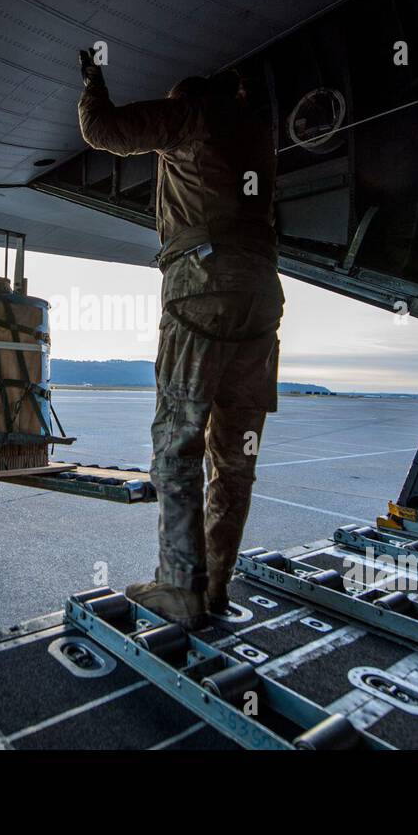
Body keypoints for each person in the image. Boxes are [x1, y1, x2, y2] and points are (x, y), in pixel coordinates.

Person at [77, 49, 284, 628]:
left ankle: (179, 588)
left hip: (203, 286)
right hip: (262, 295)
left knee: (177, 443)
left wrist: (91, 77)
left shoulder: (193, 114)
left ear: (185, 95)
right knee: (235, 456)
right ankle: (215, 588)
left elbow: (102, 131)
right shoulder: (257, 133)